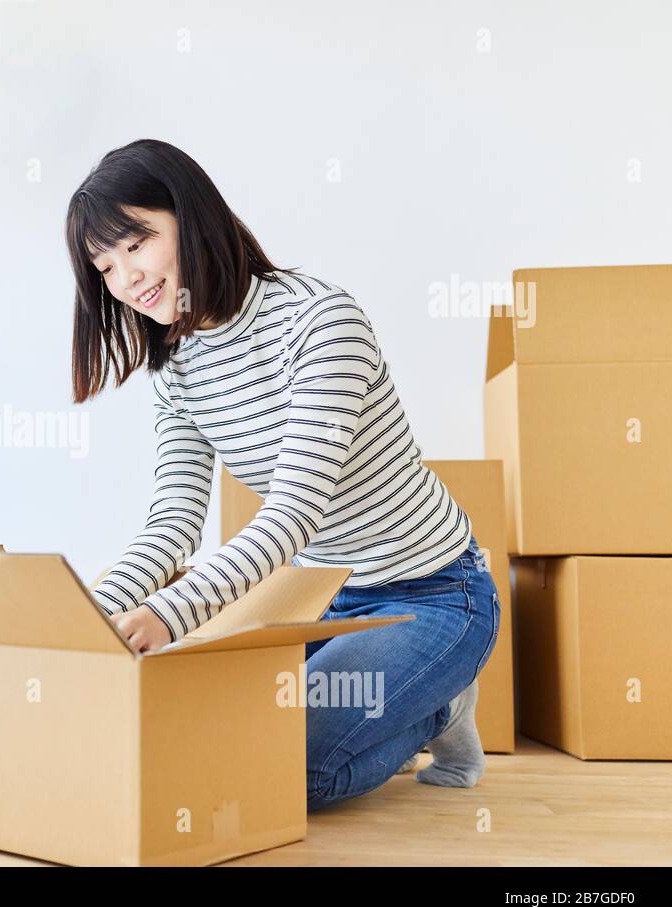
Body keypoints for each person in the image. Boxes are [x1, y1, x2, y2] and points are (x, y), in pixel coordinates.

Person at [66, 139, 501, 809]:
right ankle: (407, 691)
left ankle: (441, 707)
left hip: (433, 593)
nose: (125, 277)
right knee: (211, 737)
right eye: (104, 265)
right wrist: (92, 615)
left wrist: (165, 615)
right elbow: (173, 523)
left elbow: (293, 514)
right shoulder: (177, 369)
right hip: (320, 599)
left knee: (290, 772)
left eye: (136, 243)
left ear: (191, 213)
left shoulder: (319, 322)